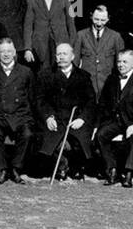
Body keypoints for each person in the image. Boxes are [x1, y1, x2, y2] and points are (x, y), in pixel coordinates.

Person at [36, 43, 96, 181]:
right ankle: (62, 166)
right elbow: (40, 100)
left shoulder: (83, 76)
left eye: (65, 54)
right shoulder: (46, 75)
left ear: (72, 56)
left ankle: (76, 168)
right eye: (58, 54)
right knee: (48, 139)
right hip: (55, 118)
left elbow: (91, 101)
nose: (61, 57)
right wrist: (48, 117)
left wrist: (82, 118)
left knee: (79, 141)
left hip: (76, 119)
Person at [0, 38, 34, 184]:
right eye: (2, 51)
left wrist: (27, 116)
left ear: (14, 53)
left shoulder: (25, 72)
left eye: (9, 51)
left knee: (27, 133)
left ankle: (16, 169)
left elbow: (32, 97)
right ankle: (2, 170)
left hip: (20, 115)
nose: (6, 54)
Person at [95, 47, 133, 186]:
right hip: (115, 121)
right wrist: (97, 124)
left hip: (132, 121)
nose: (121, 65)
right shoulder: (111, 79)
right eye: (119, 61)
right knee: (101, 135)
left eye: (125, 62)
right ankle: (112, 170)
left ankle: (129, 173)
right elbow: (102, 104)